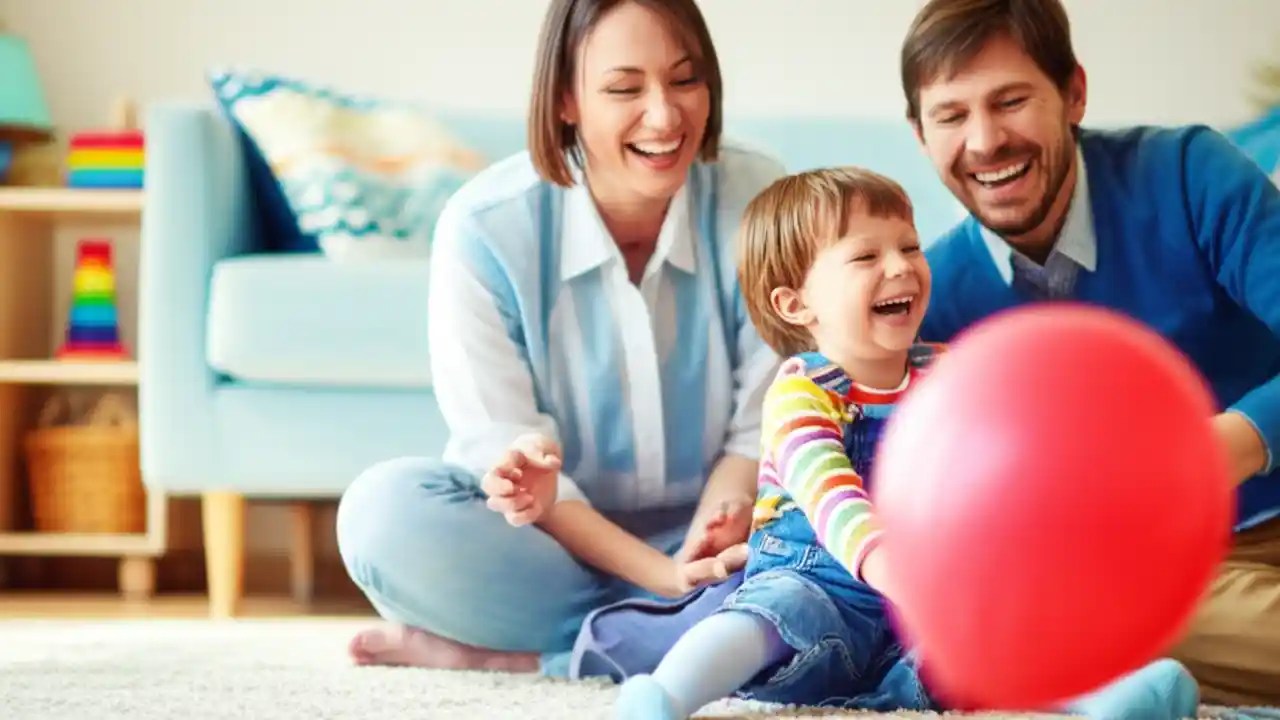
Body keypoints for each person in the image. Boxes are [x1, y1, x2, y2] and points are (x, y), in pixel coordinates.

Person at [612, 167, 1200, 720]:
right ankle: (666, 693)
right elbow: (829, 493)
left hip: (922, 601)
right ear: (796, 304)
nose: (900, 267)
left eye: (910, 247)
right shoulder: (801, 391)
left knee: (993, 639)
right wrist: (888, 561)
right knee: (771, 611)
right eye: (866, 256)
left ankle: (1104, 695)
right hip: (820, 581)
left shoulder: (950, 373)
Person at [334, 0, 786, 676]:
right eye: (624, 88)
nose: (665, 116)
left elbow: (762, 428)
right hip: (553, 548)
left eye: (685, 79)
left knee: (844, 540)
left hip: (722, 538)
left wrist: (713, 534)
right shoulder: (484, 228)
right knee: (383, 515)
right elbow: (498, 441)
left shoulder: (762, 201)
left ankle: (529, 657)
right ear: (566, 100)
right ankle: (682, 629)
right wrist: (664, 579)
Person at [903, 0, 1280, 706]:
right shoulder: (929, 298)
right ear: (920, 136)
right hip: (1167, 582)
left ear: (1074, 93)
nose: (984, 142)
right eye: (951, 115)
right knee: (1087, 622)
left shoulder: (1189, 174)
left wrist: (1230, 443)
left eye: (1010, 101)